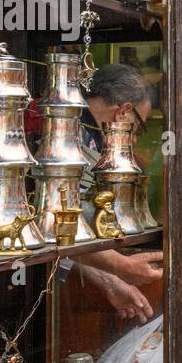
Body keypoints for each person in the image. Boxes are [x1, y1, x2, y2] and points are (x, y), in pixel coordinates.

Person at [68, 63, 164, 323]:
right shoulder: (68, 135)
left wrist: (110, 281)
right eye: (139, 127)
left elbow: (67, 242)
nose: (134, 139)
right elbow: (56, 226)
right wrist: (120, 266)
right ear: (124, 111)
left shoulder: (89, 138)